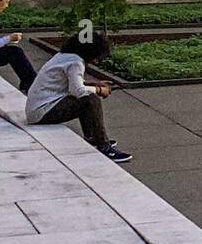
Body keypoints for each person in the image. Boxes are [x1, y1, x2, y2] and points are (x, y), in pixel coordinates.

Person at [26, 30, 131, 163]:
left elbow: (69, 83)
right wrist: (99, 90)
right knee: (90, 99)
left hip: (38, 109)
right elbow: (77, 91)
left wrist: (93, 84)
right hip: (42, 112)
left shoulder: (64, 56)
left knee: (87, 96)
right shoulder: (75, 62)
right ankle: (104, 147)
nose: (96, 61)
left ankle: (92, 136)